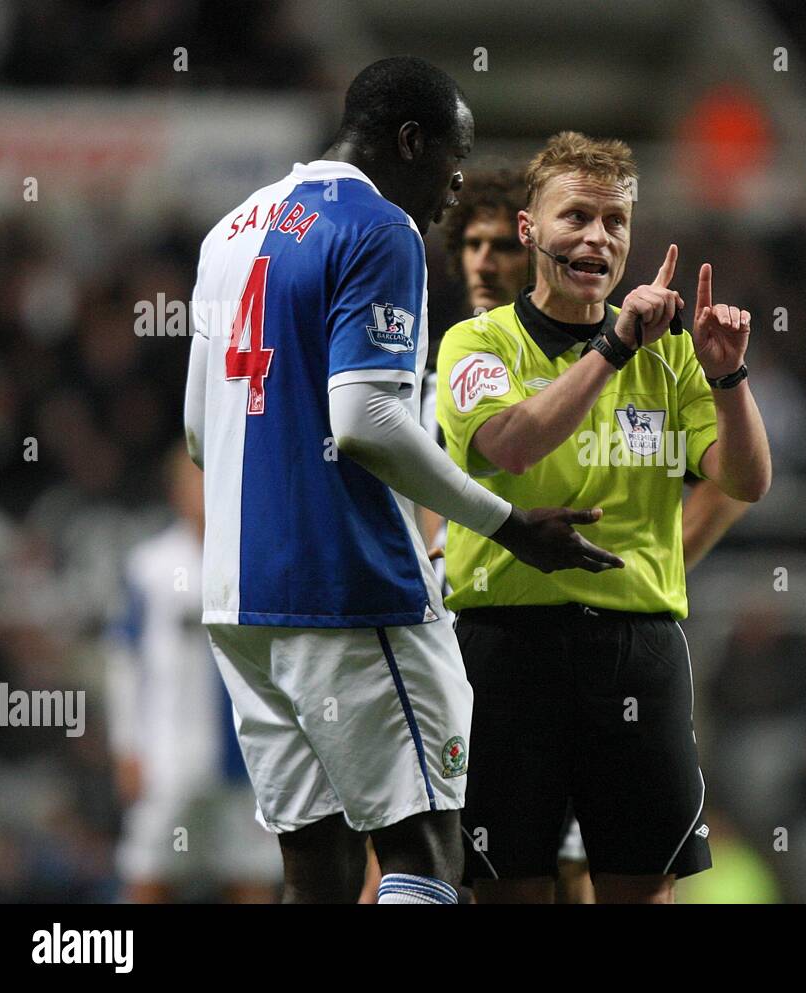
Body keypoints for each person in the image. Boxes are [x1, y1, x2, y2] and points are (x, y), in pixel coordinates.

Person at [183, 56, 621, 905]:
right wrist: (507, 523)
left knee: (317, 861)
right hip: (349, 591)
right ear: (409, 140)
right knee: (424, 846)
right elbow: (367, 421)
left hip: (239, 597)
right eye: (450, 168)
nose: (452, 192)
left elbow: (202, 430)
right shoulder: (379, 228)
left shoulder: (230, 232)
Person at [436, 131, 771, 904]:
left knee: (641, 892)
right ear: (530, 231)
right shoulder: (476, 343)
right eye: (575, 216)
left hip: (637, 649)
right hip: (506, 648)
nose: (596, 236)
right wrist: (615, 346)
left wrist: (729, 378)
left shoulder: (671, 354)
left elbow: (745, 480)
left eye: (614, 221)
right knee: (507, 889)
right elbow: (511, 444)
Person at [106, 444, 281, 903]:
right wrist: (127, 747)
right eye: (193, 479)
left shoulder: (255, 557)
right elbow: (125, 662)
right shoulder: (152, 567)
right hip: (172, 756)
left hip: (249, 755)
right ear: (175, 491)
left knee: (251, 876)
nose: (204, 490)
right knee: (151, 874)